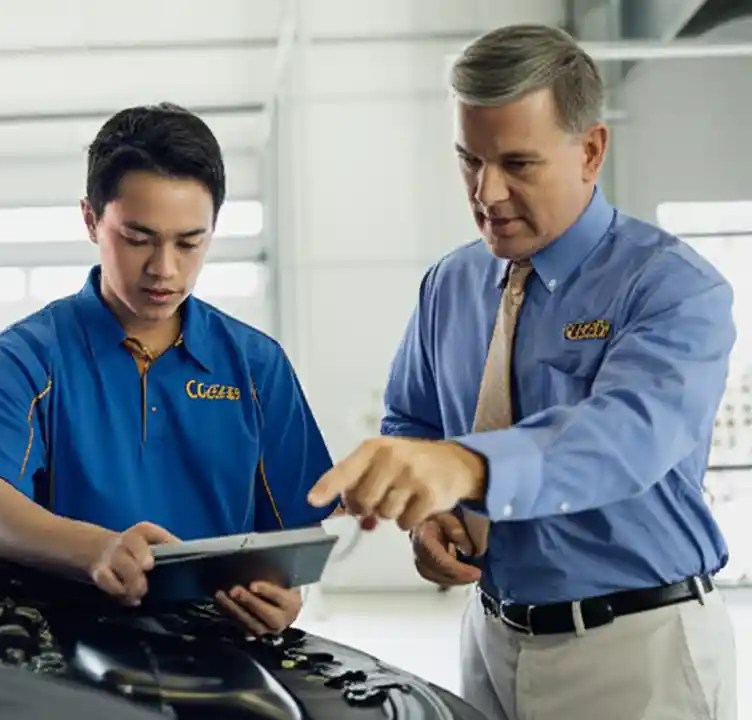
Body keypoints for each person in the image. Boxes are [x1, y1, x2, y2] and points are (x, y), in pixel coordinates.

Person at [306, 24, 738, 720]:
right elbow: (412, 419)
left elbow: (623, 439)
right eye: (468, 160)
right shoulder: (450, 284)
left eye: (518, 163)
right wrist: (432, 516)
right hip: (490, 634)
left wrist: (465, 469)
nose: (487, 191)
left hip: (636, 650)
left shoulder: (673, 288)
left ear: (591, 150)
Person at [0, 102, 338, 635]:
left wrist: (284, 598)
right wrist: (95, 550)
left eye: (189, 242)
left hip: (223, 653)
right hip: (60, 648)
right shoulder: (22, 358)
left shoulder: (257, 367)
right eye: (138, 239)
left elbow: (294, 536)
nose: (164, 269)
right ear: (91, 219)